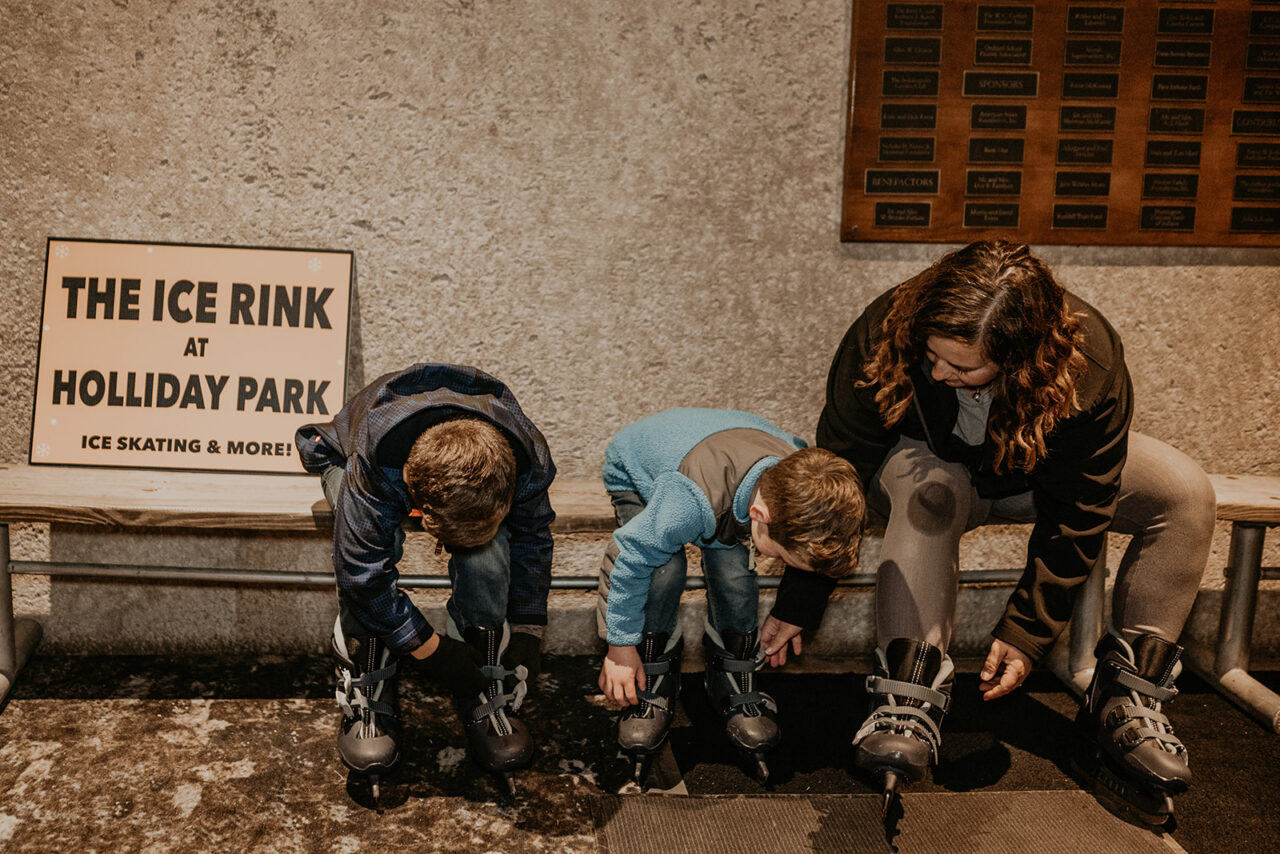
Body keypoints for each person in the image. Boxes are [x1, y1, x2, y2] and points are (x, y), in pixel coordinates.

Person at [806, 240, 1214, 824]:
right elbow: (838, 471)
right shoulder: (887, 331)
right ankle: (905, 695)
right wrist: (801, 597)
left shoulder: (1086, 364)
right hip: (927, 471)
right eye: (933, 356)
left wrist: (1028, 630)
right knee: (934, 490)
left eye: (965, 366)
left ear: (1023, 356)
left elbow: (1080, 509)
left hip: (1032, 470)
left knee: (1184, 490)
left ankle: (1129, 697)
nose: (941, 372)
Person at [296, 363, 556, 798]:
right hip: (359, 453)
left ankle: (483, 664)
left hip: (457, 452)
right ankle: (366, 663)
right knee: (370, 533)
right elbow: (362, 572)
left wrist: (529, 626)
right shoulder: (380, 460)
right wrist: (428, 649)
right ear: (419, 504)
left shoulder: (525, 461)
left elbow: (533, 537)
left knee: (489, 554)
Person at [595, 407, 864, 783]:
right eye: (783, 559)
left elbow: (816, 552)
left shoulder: (801, 475)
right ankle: (652, 670)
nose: (780, 563)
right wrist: (620, 647)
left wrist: (794, 610)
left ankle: (730, 671)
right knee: (663, 568)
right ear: (760, 515)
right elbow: (628, 556)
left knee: (735, 572)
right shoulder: (687, 501)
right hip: (641, 469)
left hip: (723, 475)